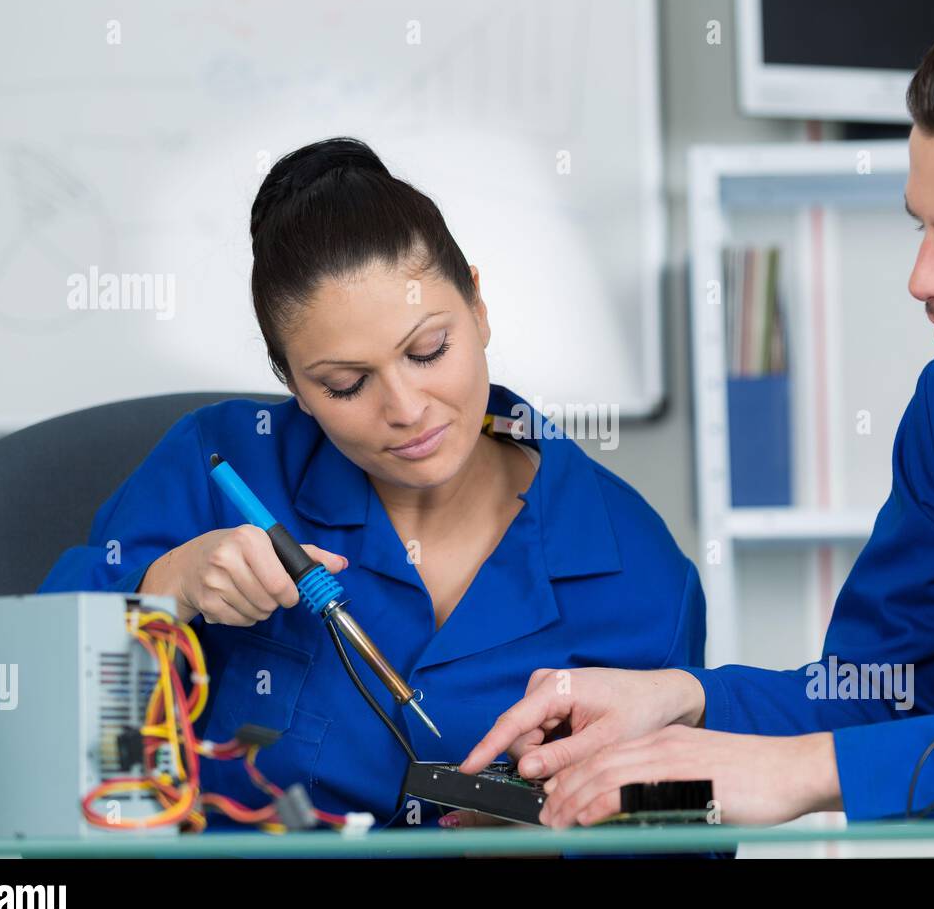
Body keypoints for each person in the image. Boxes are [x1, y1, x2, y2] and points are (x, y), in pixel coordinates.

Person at [463, 4, 934, 827]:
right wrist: (685, 701)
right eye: (922, 227)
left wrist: (806, 769)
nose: (925, 277)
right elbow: (887, 687)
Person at [38, 137, 705, 827]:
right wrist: (164, 591)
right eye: (346, 385)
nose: (406, 410)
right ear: (292, 383)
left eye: (428, 351)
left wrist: (559, 833)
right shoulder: (221, 466)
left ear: (477, 305)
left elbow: (690, 829)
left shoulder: (641, 571)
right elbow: (39, 707)